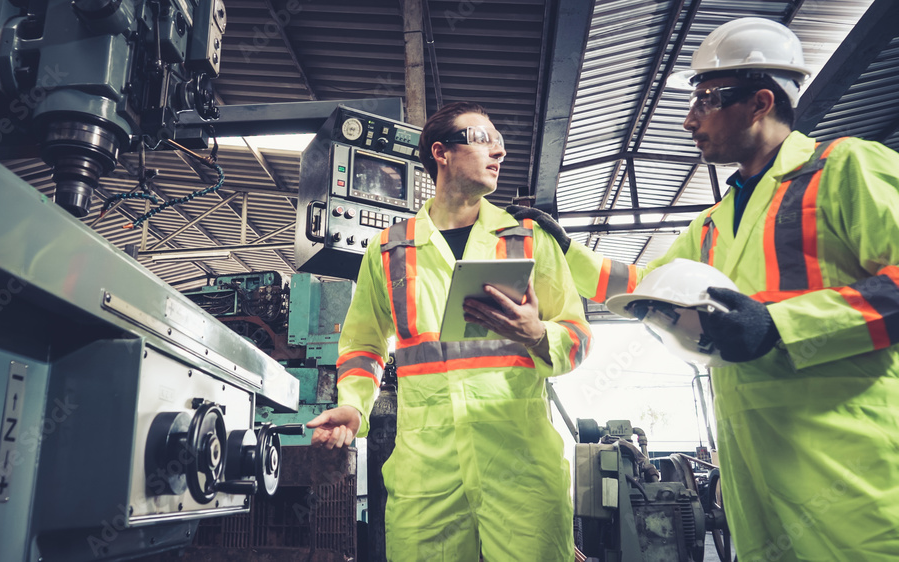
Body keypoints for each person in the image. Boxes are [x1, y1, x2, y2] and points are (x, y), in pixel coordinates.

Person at [542, 17, 899, 562]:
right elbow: (643, 285)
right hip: (751, 464)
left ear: (760, 102)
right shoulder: (713, 222)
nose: (689, 120)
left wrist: (781, 326)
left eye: (707, 100)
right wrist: (566, 250)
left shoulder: (845, 167)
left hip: (849, 458)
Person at [306, 101, 591, 561]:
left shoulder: (526, 238)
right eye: (483, 139)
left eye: (501, 144)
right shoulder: (389, 249)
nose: (498, 152)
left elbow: (578, 335)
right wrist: (352, 407)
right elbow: (362, 344)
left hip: (521, 465)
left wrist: (539, 333)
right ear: (441, 152)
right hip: (426, 471)